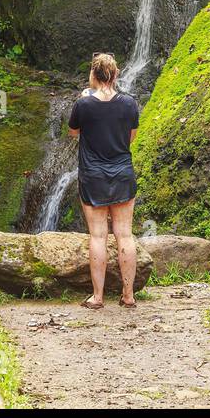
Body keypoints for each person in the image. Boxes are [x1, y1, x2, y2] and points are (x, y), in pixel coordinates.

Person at [67, 53, 140, 309]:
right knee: (125, 235)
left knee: (98, 236)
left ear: (93, 76)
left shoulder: (83, 104)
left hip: (93, 175)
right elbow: (130, 137)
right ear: (115, 74)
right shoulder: (130, 104)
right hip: (122, 173)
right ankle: (128, 295)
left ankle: (97, 297)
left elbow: (73, 132)